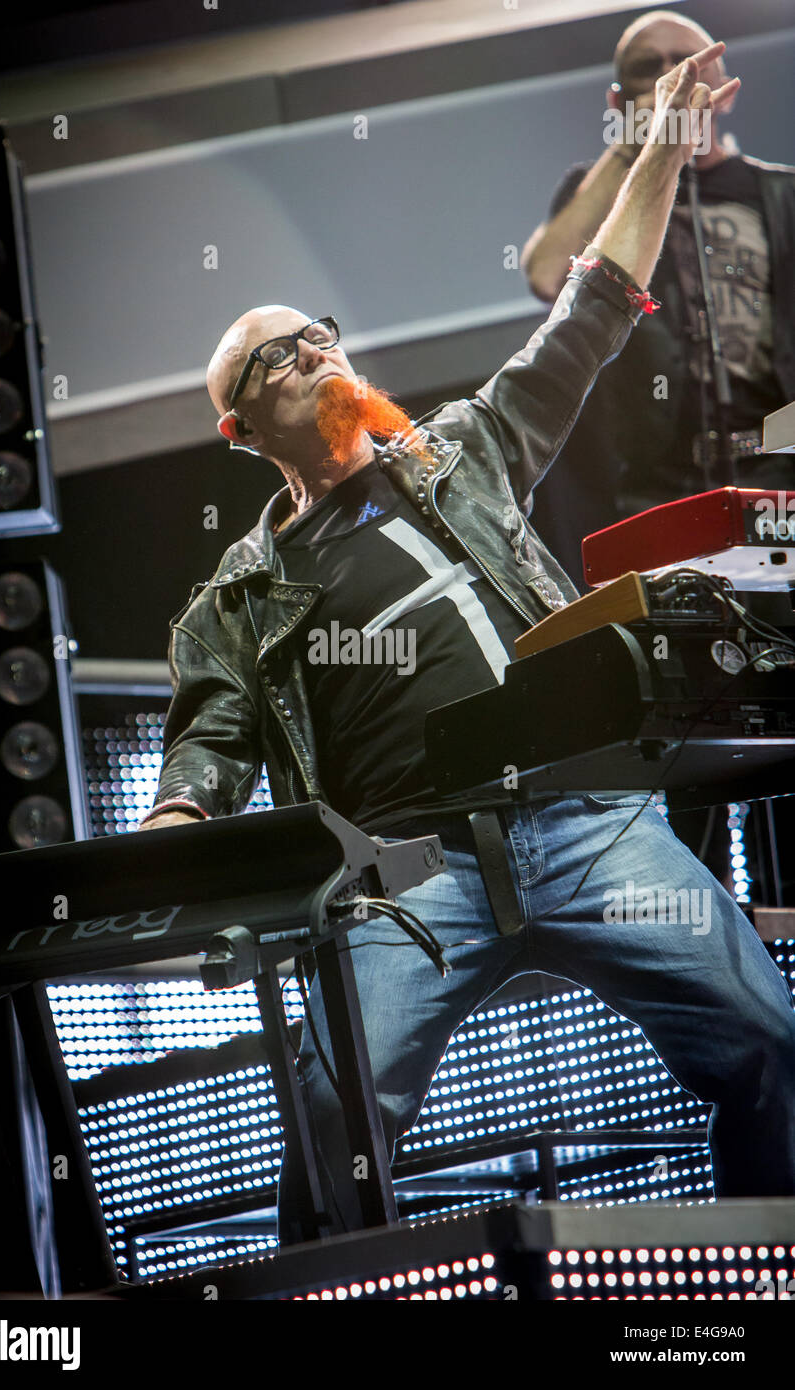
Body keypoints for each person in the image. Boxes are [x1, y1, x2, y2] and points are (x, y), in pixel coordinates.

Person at [138, 49, 795, 1245]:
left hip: (588, 824)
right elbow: (206, 755)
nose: (315, 356)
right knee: (330, 1118)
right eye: (278, 359)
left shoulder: (461, 452)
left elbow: (591, 307)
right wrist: (169, 846)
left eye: (318, 334)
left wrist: (655, 147)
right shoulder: (235, 598)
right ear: (242, 429)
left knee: (769, 1046)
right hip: (410, 880)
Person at [521, 9, 795, 591]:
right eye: (650, 69)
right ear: (618, 101)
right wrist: (633, 150)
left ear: (723, 91)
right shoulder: (603, 193)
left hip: (779, 466)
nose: (670, 76)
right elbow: (547, 275)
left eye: (687, 64)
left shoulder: (783, 192)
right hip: (656, 479)